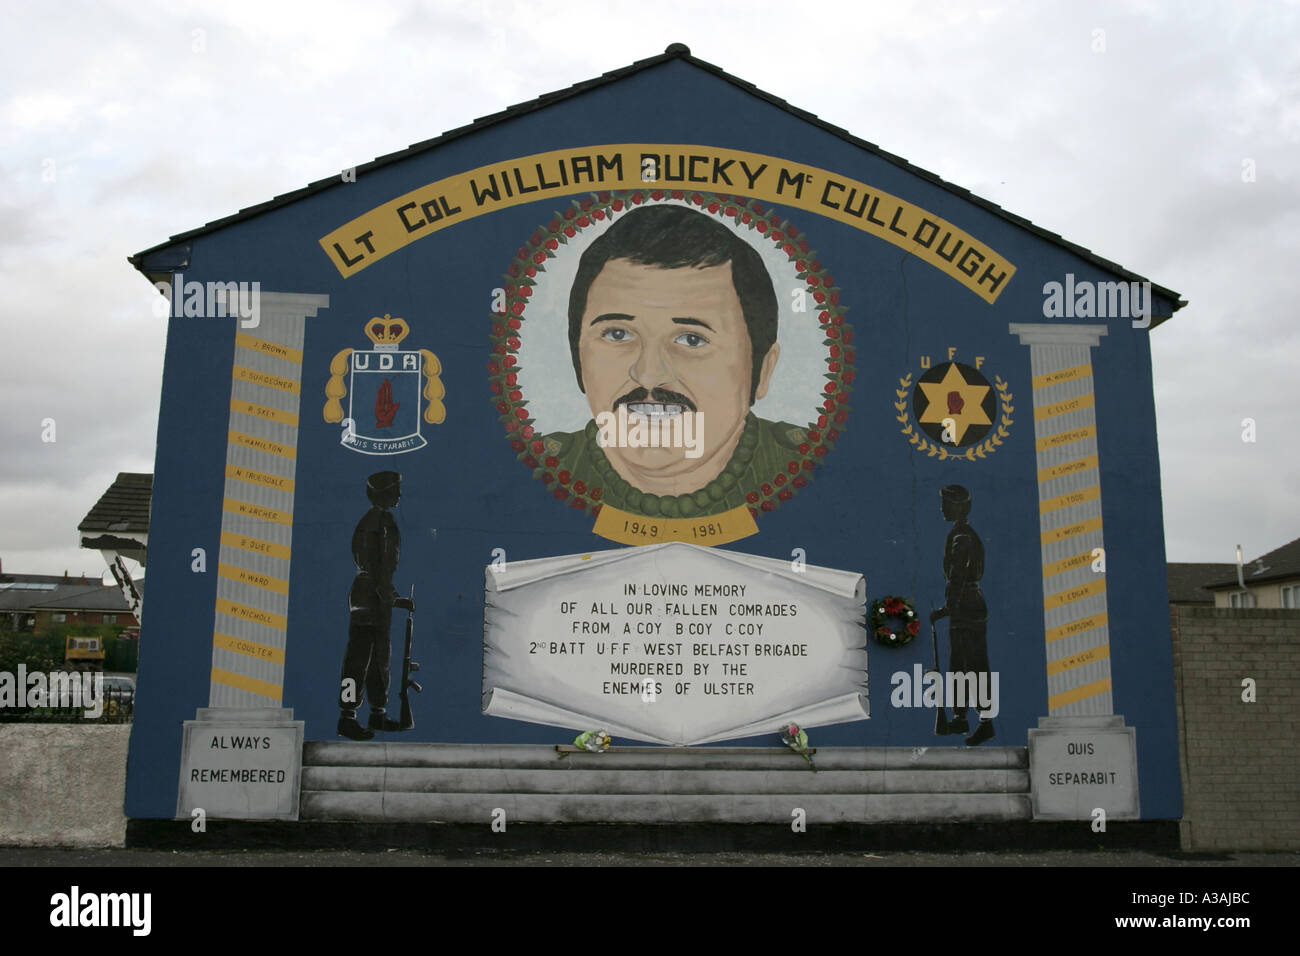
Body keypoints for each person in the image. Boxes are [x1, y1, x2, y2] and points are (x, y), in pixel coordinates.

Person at [544, 204, 807, 519]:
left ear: (762, 369)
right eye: (617, 334)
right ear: (578, 356)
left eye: (691, 340)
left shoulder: (815, 468)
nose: (649, 375)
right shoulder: (534, 469)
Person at [337, 471, 415, 741]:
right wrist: (393, 596)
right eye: (396, 489)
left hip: (372, 598)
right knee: (359, 660)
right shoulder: (381, 521)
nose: (400, 494)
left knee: (377, 659)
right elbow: (377, 567)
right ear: (385, 494)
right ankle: (347, 716)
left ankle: (376, 713)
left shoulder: (375, 520)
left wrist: (390, 596)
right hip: (370, 598)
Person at [930, 484, 994, 746]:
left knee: (974, 665)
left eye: (947, 503)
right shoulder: (960, 533)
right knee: (960, 663)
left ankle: (985, 722)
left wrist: (947, 608)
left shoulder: (962, 537)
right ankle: (960, 717)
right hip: (966, 606)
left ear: (959, 507)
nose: (942, 508)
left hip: (967, 606)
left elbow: (958, 576)